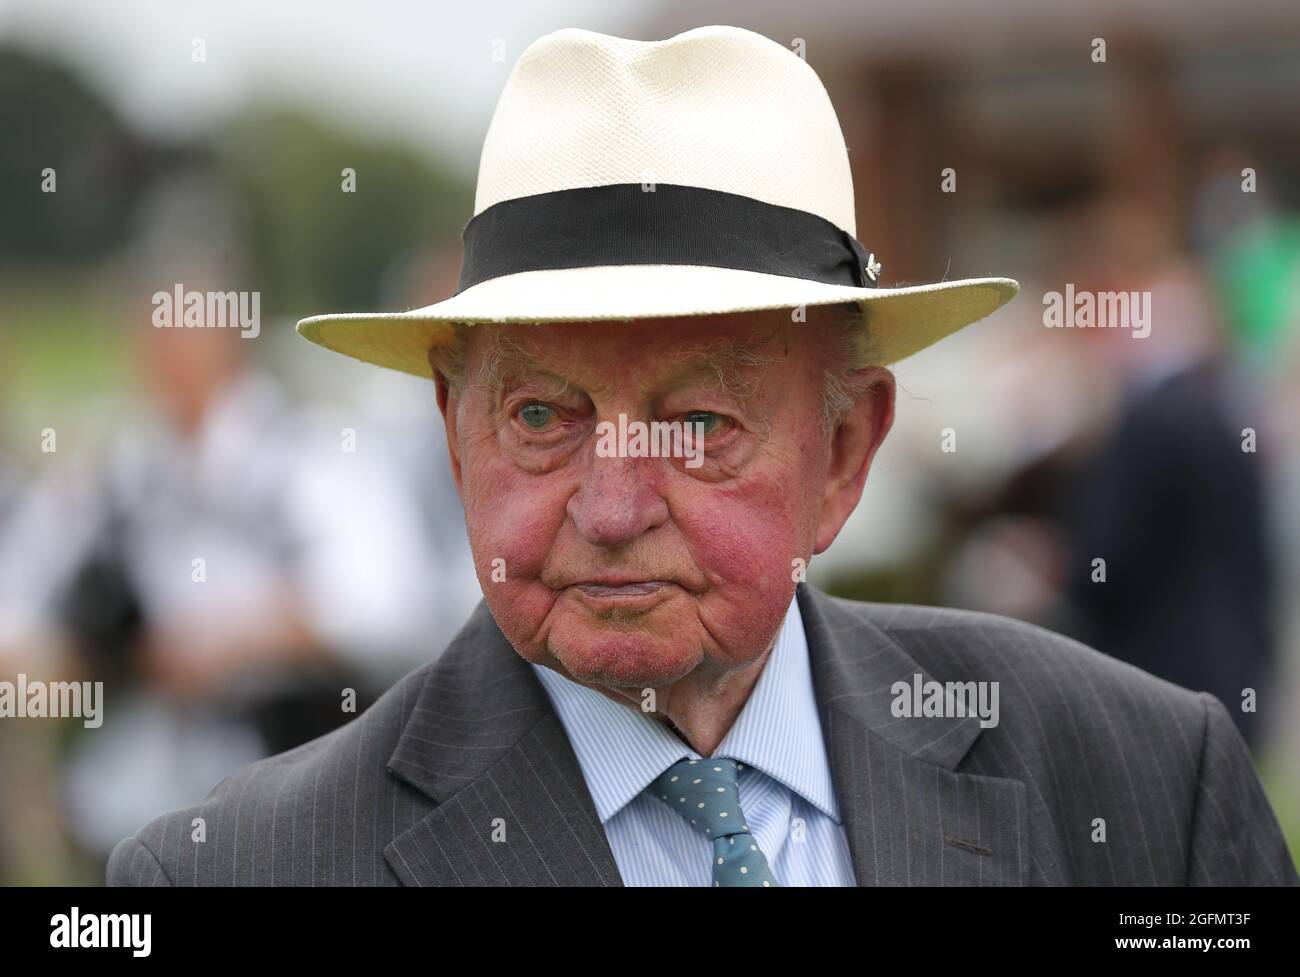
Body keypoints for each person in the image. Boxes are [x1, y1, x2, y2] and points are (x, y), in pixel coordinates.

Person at [109, 25, 1295, 887]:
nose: (612, 506)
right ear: (456, 438)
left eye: (698, 425)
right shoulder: (230, 872)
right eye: (540, 417)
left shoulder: (1143, 785)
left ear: (844, 453)